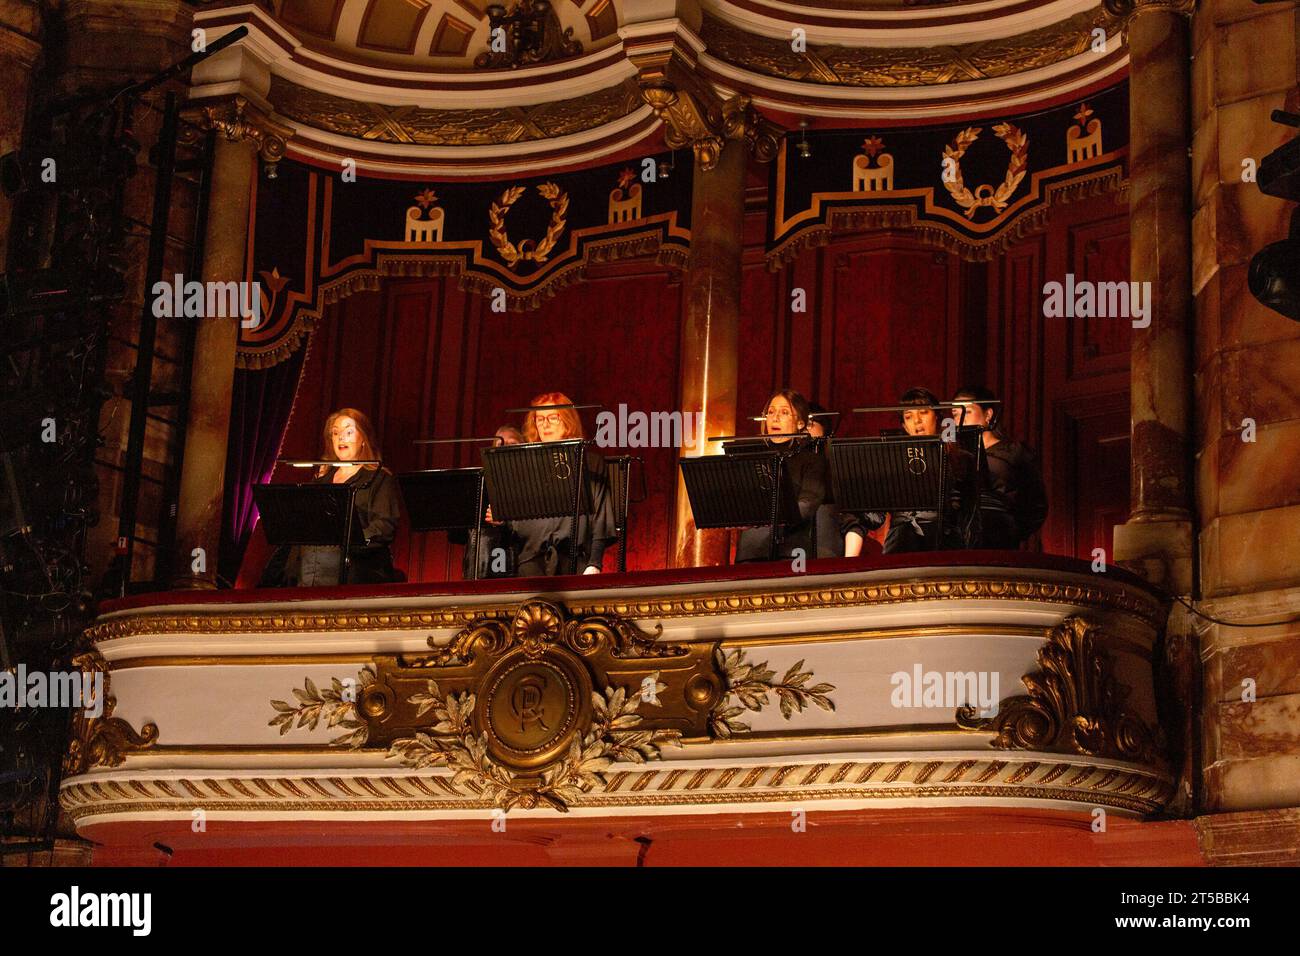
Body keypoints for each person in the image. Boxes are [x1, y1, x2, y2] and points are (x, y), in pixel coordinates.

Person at [260, 408, 403, 587]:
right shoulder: (321, 479)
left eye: (348, 431)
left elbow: (384, 526)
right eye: (335, 433)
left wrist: (348, 541)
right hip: (307, 571)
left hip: (355, 570)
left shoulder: (379, 478)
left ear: (363, 439)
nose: (341, 437)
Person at [492, 392, 615, 577]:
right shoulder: (524, 465)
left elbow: (601, 518)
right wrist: (504, 519)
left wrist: (594, 563)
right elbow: (517, 521)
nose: (545, 424)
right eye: (539, 419)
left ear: (567, 420)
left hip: (575, 561)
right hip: (530, 561)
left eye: (552, 417)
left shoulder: (591, 463)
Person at [842, 387, 975, 555]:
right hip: (901, 542)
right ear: (904, 426)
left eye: (923, 413)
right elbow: (876, 518)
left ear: (938, 417)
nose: (917, 421)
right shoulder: (892, 461)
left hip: (944, 542)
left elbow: (969, 515)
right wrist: (858, 502)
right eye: (908, 417)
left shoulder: (961, 459)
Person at [732, 389, 828, 563]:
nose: (775, 418)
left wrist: (762, 517)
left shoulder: (811, 460)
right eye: (770, 412)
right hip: (751, 552)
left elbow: (807, 505)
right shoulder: (751, 457)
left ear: (800, 423)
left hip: (791, 554)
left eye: (784, 412)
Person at [950, 386, 1047, 549]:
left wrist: (1016, 530)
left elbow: (1037, 500)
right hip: (961, 536)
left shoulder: (1013, 451)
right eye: (955, 415)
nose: (960, 420)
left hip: (1000, 534)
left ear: (988, 414)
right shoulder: (954, 454)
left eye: (967, 412)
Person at [462, 425, 523, 579]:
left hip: (512, 555)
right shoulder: (480, 482)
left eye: (512, 444)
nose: (505, 449)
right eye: (500, 444)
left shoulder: (527, 483)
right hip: (479, 559)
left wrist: (506, 522)